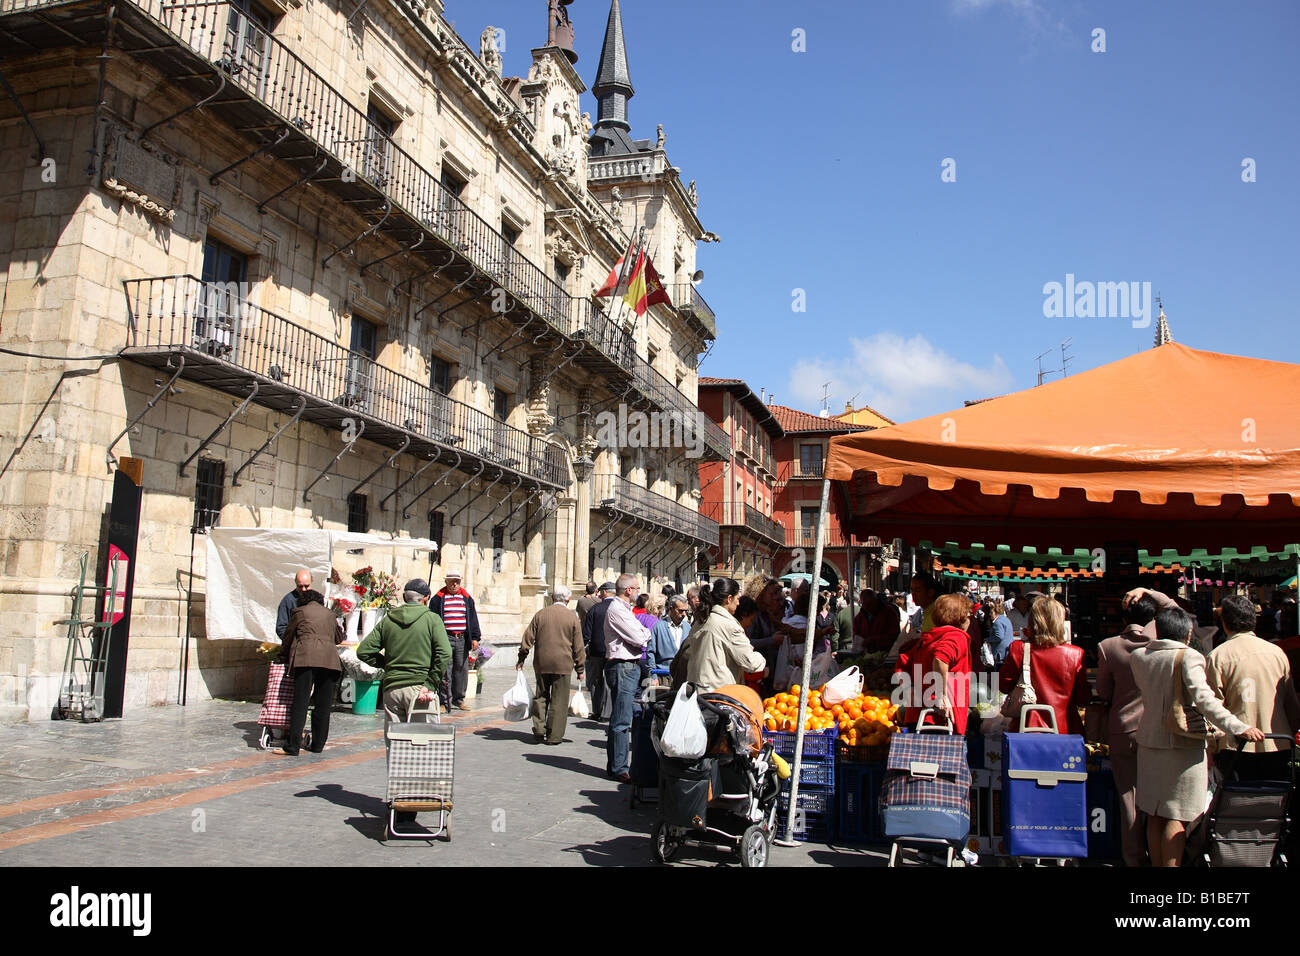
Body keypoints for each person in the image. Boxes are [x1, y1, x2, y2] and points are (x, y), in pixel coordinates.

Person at [1130, 606, 1263, 867]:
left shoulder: (1138, 656)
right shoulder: (1189, 657)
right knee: (1177, 816)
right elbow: (1205, 701)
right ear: (1188, 634)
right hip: (1182, 744)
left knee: (1155, 814)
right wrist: (1237, 726)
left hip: (1149, 741)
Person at [1204, 595, 1299, 781]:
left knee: (1239, 804)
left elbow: (1212, 707)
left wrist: (1211, 747)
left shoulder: (1218, 657)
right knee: (1275, 803)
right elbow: (1291, 704)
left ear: (1225, 623)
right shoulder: (1276, 653)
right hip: (1277, 742)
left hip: (1236, 746)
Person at [1096, 593, 1160, 867]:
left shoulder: (1108, 646)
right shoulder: (1162, 646)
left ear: (1125, 620)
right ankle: (1159, 852)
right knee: (1159, 794)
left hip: (1123, 727)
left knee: (1128, 795)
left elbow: (1104, 691)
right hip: (1157, 729)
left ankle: (1132, 857)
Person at [357, 579, 452, 727]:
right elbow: (445, 653)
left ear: (404, 597)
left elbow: (364, 651)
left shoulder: (388, 620)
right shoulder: (432, 619)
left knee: (395, 743)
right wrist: (431, 683)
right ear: (426, 598)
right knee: (421, 740)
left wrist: (387, 664)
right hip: (420, 688)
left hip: (392, 689)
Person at [998, 598, 1088, 734]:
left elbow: (1004, 686)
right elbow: (1082, 698)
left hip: (1027, 727)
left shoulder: (1019, 649)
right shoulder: (1076, 654)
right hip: (1065, 728)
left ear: (1033, 620)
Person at [894, 593, 974, 735]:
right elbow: (940, 658)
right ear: (960, 618)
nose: (969, 620)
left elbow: (902, 664)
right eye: (968, 616)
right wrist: (941, 696)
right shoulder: (956, 637)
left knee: (918, 757)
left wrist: (908, 688)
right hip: (941, 718)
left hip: (917, 715)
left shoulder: (927, 638)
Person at [518, 583, 585, 746]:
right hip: (563, 664)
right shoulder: (572, 618)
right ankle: (554, 735)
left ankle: (539, 730)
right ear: (568, 599)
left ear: (553, 597)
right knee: (559, 700)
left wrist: (521, 658)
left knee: (540, 695)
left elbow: (527, 638)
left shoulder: (541, 614)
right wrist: (580, 668)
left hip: (542, 662)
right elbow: (578, 646)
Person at [672, 577, 768, 692]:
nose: (738, 603)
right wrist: (762, 659)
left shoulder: (701, 620)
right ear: (729, 599)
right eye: (737, 599)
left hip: (695, 693)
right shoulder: (729, 625)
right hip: (717, 696)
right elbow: (750, 662)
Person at [278, 588, 344, 755]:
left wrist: (282, 656)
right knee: (323, 704)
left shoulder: (299, 611)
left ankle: (293, 746)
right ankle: (318, 744)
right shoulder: (330, 614)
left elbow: (288, 636)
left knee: (300, 701)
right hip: (329, 661)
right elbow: (339, 638)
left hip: (305, 658)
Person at [603, 573, 649, 782]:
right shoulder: (617, 611)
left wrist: (644, 634)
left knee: (623, 717)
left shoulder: (625, 610)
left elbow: (642, 633)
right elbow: (640, 636)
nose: (638, 592)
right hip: (622, 667)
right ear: (628, 590)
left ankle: (617, 764)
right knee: (621, 719)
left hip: (629, 666)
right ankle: (619, 767)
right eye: (637, 588)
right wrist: (644, 635)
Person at [429, 570, 481, 711]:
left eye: (457, 581)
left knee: (461, 670)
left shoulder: (467, 598)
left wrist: (475, 638)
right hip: (445, 637)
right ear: (446, 582)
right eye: (451, 581)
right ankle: (444, 702)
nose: (454, 584)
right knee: (446, 670)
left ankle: (459, 699)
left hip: (462, 639)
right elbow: (433, 620)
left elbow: (473, 619)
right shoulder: (437, 599)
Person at [582, 582, 615, 721]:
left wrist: (585, 646)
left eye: (601, 592)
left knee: (595, 681)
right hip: (612, 651)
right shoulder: (619, 609)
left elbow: (586, 632)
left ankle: (596, 710)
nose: (600, 594)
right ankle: (607, 713)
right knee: (609, 681)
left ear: (605, 593)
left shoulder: (595, 609)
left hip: (595, 650)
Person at [648, 595, 691, 672]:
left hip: (683, 675)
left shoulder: (687, 627)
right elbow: (651, 652)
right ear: (671, 609)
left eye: (686, 611)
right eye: (681, 611)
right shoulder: (659, 627)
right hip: (663, 673)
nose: (684, 614)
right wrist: (653, 674)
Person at [276, 569, 314, 640]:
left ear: (311, 582)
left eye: (306, 586)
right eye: (300, 586)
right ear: (296, 583)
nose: (303, 589)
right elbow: (281, 628)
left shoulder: (316, 599)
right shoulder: (288, 601)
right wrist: (294, 642)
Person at [985, 597, 1013, 667]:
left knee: (998, 673)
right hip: (1007, 651)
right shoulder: (1006, 619)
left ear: (996, 612)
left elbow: (999, 636)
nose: (990, 614)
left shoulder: (998, 622)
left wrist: (988, 639)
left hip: (1000, 653)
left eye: (991, 612)